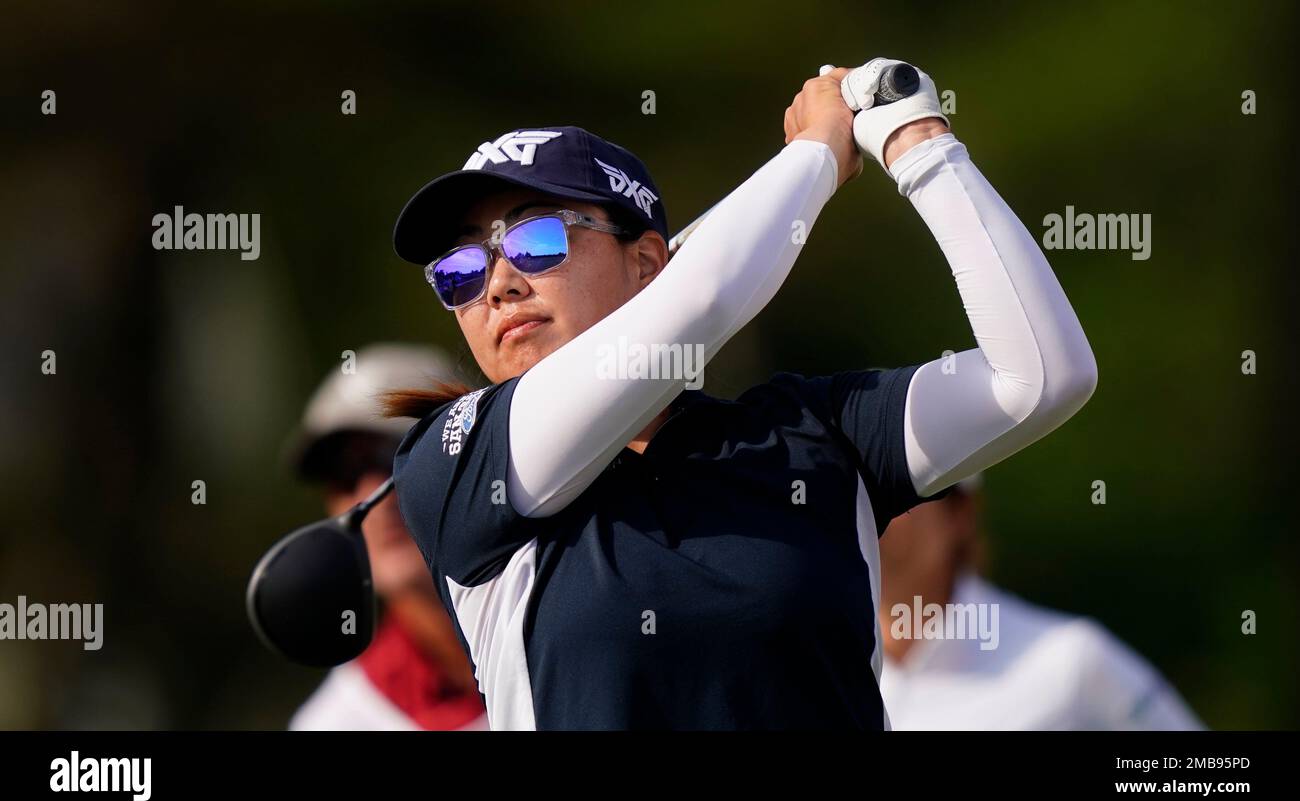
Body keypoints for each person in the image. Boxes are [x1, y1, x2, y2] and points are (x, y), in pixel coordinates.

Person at [385, 59, 1098, 729]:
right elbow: (696, 307)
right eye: (461, 269)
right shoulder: (455, 466)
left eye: (537, 241)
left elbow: (1040, 375)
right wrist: (816, 150)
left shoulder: (812, 433)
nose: (499, 283)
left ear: (645, 264)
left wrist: (918, 144)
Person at [877, 477, 1203, 730]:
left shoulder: (1073, 661)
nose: (868, 514)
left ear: (962, 512)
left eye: (890, 489)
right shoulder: (827, 669)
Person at [286, 343, 487, 730]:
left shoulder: (596, 610)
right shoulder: (331, 725)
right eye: (344, 475)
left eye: (394, 455)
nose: (371, 496)